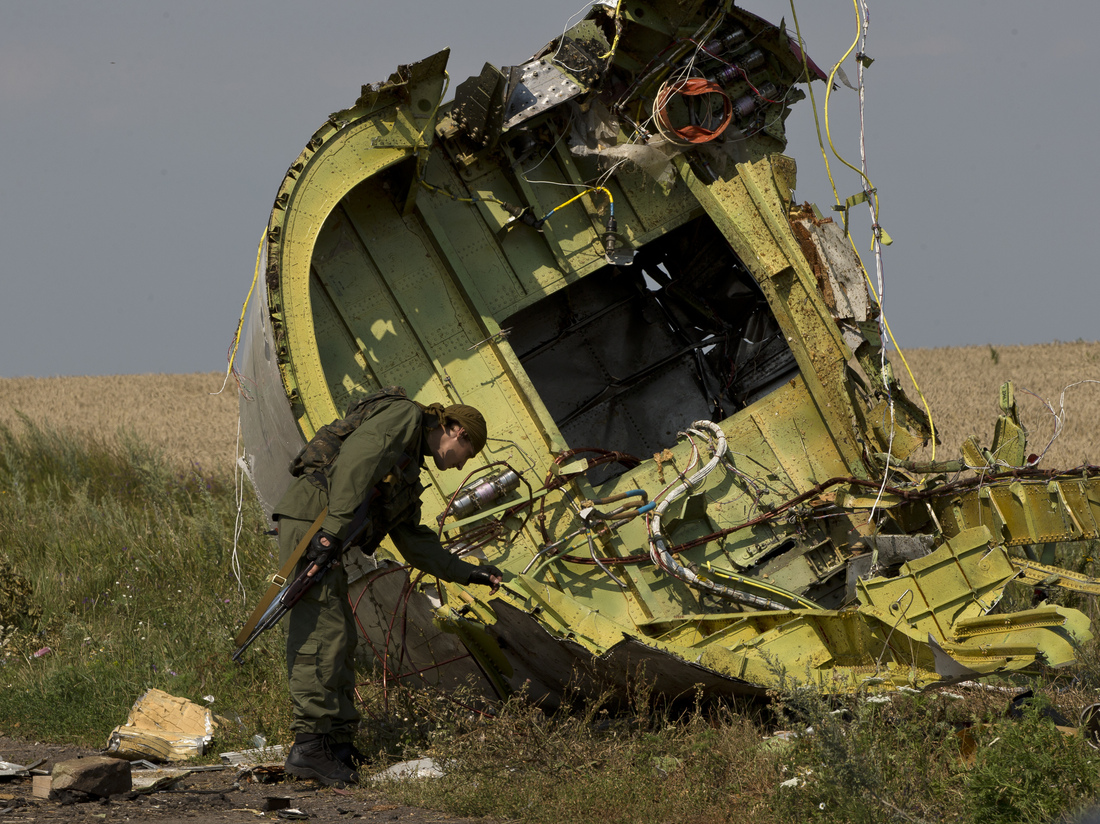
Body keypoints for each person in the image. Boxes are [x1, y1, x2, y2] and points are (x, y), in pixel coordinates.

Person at [271, 393, 503, 786]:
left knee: (340, 635)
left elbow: (414, 541)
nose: (463, 463)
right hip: (314, 520)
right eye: (468, 450)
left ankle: (336, 743)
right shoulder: (405, 416)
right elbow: (356, 461)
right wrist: (330, 534)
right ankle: (309, 746)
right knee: (321, 632)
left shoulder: (408, 468)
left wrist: (470, 574)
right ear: (456, 431)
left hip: (327, 527)